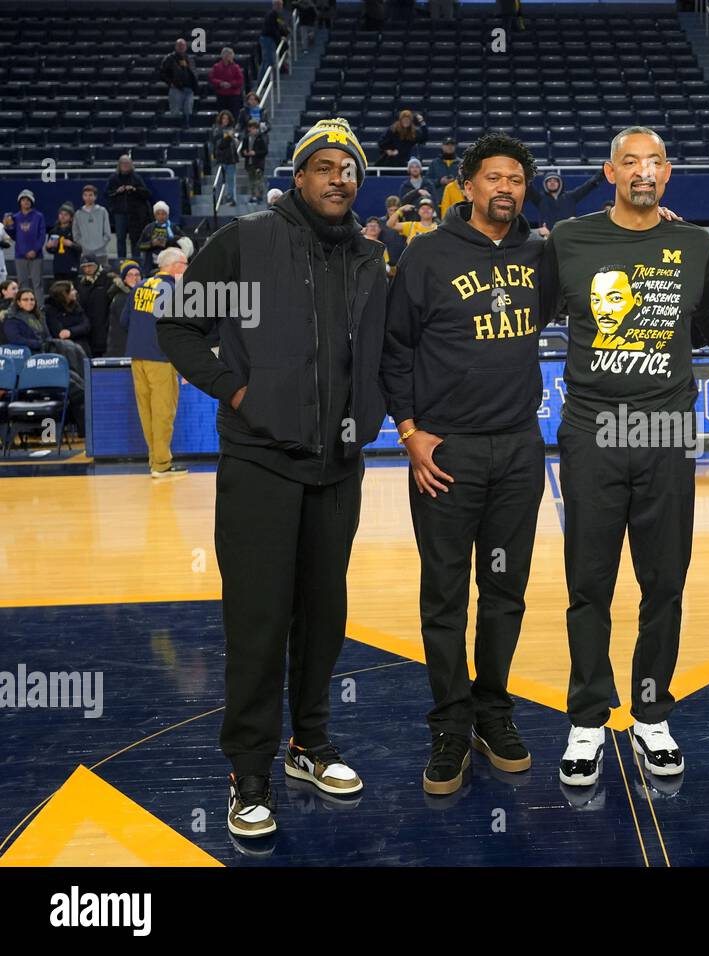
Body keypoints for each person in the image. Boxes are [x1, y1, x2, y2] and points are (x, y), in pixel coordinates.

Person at [157, 118, 388, 839]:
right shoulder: (248, 240)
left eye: (348, 170)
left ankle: (309, 744)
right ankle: (248, 770)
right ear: (300, 175)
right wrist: (237, 390)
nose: (338, 179)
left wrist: (372, 413)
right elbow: (177, 320)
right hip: (261, 462)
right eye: (324, 167)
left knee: (323, 620)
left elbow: (382, 350)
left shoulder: (370, 257)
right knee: (258, 623)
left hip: (338, 466)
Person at [539, 126, 709, 786]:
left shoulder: (695, 245)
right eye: (630, 161)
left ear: (667, 174)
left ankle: (651, 714)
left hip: (667, 433)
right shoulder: (568, 240)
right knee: (588, 584)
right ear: (610, 172)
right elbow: (525, 316)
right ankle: (588, 718)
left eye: (655, 162)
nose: (643, 171)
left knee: (664, 582)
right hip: (592, 432)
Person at [381, 131, 546, 796]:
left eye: (516, 179)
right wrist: (410, 432)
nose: (506, 188)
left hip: (519, 450)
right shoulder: (426, 254)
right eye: (494, 178)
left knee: (505, 591)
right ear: (469, 185)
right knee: (445, 595)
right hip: (446, 452)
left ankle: (492, 711)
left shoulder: (539, 253)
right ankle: (450, 723)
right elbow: (395, 348)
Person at [121, 247, 189, 478]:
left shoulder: (140, 286)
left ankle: (155, 460)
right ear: (175, 265)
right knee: (163, 412)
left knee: (147, 411)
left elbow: (124, 321)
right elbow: (179, 329)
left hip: (137, 357)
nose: (187, 269)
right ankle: (161, 464)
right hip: (160, 358)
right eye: (185, 264)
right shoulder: (172, 290)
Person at [1, 287, 87, 434]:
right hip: (31, 367)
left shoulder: (38, 317)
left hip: (46, 361)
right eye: (25, 300)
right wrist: (39, 344)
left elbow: (47, 337)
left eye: (32, 299)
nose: (30, 302)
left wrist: (46, 344)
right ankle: (83, 428)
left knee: (79, 382)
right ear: (18, 302)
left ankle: (84, 428)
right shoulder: (11, 321)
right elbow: (17, 340)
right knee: (74, 388)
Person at [105, 156, 153, 263]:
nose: (125, 165)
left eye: (127, 163)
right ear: (119, 165)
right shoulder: (113, 178)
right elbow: (107, 194)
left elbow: (147, 193)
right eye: (123, 163)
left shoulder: (136, 178)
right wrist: (117, 191)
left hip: (135, 213)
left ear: (131, 164)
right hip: (119, 213)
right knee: (120, 238)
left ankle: (136, 262)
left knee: (135, 238)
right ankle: (121, 262)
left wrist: (135, 189)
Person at [526, 169, 605, 231]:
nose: (552, 183)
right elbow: (528, 186)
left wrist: (602, 173)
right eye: (549, 181)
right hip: (547, 237)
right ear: (545, 184)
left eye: (555, 181)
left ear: (560, 183)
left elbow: (588, 186)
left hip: (568, 235)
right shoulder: (540, 198)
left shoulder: (570, 196)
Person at [6, 190, 46, 292]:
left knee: (38, 284)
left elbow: (42, 236)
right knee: (22, 284)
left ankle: (39, 302)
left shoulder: (39, 216)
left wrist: (35, 250)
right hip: (20, 255)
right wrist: (8, 227)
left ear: (32, 202)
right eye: (23, 200)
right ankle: (23, 302)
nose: (26, 202)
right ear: (20, 202)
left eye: (28, 200)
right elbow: (14, 236)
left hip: (36, 255)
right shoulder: (15, 217)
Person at [76, 256, 115, 356]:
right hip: (89, 331)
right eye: (84, 267)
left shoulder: (108, 280)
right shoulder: (81, 284)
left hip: (106, 329)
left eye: (90, 266)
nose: (87, 269)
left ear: (97, 265)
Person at [45, 280, 92, 358]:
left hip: (82, 347)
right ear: (64, 294)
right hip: (63, 350)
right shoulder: (50, 310)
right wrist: (77, 329)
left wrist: (71, 332)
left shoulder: (76, 306)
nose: (76, 291)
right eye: (72, 290)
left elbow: (86, 325)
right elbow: (60, 334)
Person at [105, 260, 142, 356]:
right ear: (124, 279)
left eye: (137, 275)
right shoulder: (121, 298)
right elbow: (128, 323)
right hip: (122, 348)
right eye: (130, 275)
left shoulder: (140, 296)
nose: (134, 278)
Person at [137, 201, 184, 272]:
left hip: (170, 264)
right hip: (150, 265)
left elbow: (184, 242)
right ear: (155, 215)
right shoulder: (149, 228)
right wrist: (152, 243)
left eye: (163, 214)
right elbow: (139, 246)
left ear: (167, 215)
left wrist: (167, 242)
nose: (161, 216)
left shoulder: (173, 227)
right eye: (158, 214)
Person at [159, 38, 198, 124]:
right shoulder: (169, 58)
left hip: (189, 90)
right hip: (176, 89)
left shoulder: (189, 59)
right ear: (175, 47)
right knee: (175, 112)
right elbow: (162, 73)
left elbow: (193, 73)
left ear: (186, 47)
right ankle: (175, 130)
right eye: (179, 45)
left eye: (183, 46)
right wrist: (170, 83)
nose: (181, 47)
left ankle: (186, 129)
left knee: (188, 112)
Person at [72, 185, 112, 266]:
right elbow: (76, 234)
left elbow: (107, 233)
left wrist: (100, 244)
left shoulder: (102, 211)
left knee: (103, 273)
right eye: (85, 195)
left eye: (90, 195)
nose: (88, 197)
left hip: (101, 254)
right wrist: (84, 245)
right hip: (85, 254)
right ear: (83, 197)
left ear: (95, 197)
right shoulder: (78, 214)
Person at [45, 204, 81, 282]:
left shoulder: (76, 231)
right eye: (61, 214)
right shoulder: (53, 231)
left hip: (72, 265)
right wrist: (48, 247)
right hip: (58, 266)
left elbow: (81, 248)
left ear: (71, 218)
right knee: (59, 287)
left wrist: (71, 244)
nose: (62, 216)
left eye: (66, 215)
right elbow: (52, 251)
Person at [212, 111, 241, 206]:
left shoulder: (232, 129)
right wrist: (228, 137)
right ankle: (219, 201)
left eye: (227, 119)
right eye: (224, 118)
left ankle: (231, 199)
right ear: (220, 119)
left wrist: (235, 139)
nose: (225, 120)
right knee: (220, 181)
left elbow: (236, 142)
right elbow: (220, 145)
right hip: (221, 159)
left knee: (231, 180)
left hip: (231, 159)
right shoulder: (217, 130)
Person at [210, 47, 246, 117]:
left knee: (234, 114)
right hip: (221, 94)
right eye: (227, 55)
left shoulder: (236, 67)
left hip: (234, 95)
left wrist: (231, 84)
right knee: (222, 114)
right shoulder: (216, 66)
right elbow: (212, 78)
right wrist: (221, 83)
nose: (228, 57)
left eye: (230, 55)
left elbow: (240, 80)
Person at [260, 0, 289, 80]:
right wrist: (280, 37)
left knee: (267, 61)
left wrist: (286, 32)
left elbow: (280, 26)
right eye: (279, 5)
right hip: (267, 39)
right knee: (268, 61)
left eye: (281, 5)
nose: (281, 7)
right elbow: (272, 29)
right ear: (275, 5)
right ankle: (266, 81)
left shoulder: (277, 15)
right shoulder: (271, 15)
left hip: (270, 39)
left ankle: (266, 80)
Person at [242, 122, 269, 204]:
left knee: (259, 181)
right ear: (249, 129)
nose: (254, 130)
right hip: (249, 163)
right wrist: (244, 153)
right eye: (253, 128)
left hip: (258, 163)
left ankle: (260, 197)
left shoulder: (261, 138)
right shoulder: (246, 138)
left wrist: (255, 153)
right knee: (251, 181)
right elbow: (242, 150)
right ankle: (253, 196)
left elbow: (265, 151)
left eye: (256, 128)